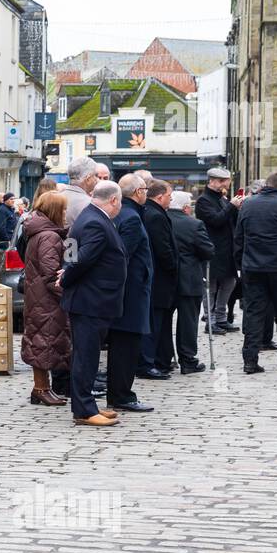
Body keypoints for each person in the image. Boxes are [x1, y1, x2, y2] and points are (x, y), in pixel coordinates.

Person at [59, 181, 126, 427]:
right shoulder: (96, 222)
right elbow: (81, 260)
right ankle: (84, 409)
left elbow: (70, 250)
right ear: (114, 200)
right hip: (91, 300)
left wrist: (65, 270)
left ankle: (87, 404)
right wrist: (66, 275)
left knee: (86, 355)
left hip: (91, 299)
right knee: (86, 357)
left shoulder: (87, 217)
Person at [235, 172, 277, 373]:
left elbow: (239, 236)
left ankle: (250, 360)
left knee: (254, 311)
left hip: (253, 265)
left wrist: (241, 263)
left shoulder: (248, 204)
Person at [106, 174, 154, 413]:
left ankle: (119, 392)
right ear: (137, 192)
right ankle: (122, 394)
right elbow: (122, 256)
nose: (147, 192)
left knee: (121, 344)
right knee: (126, 344)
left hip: (125, 290)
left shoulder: (121, 214)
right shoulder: (131, 217)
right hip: (130, 292)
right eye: (145, 189)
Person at [19, 191, 69, 406]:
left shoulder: (40, 232)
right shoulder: (49, 235)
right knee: (43, 343)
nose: (66, 213)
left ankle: (42, 388)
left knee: (40, 341)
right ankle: (41, 388)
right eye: (63, 209)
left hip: (38, 296)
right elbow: (51, 274)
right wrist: (67, 292)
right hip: (47, 300)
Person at [167, 192, 214, 374]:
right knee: (188, 322)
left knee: (163, 321)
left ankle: (165, 358)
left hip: (167, 280)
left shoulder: (161, 220)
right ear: (186, 208)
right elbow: (208, 250)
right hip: (189, 279)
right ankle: (188, 360)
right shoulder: (193, 224)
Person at [138, 180, 178, 379]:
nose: (171, 199)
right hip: (159, 279)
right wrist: (173, 267)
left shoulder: (152, 212)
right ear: (160, 196)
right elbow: (163, 249)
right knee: (155, 322)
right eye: (169, 195)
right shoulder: (155, 216)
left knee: (159, 322)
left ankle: (160, 359)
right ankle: (150, 361)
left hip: (158, 278)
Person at [196, 167, 239, 334]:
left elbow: (230, 220)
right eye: (221, 182)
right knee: (211, 285)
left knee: (230, 282)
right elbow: (216, 220)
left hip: (227, 249)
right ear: (212, 181)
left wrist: (236, 207)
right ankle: (210, 320)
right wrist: (231, 206)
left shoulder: (222, 198)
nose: (224, 185)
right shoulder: (203, 201)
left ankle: (221, 317)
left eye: (226, 182)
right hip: (212, 248)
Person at [62, 157, 100, 226]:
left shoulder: (55, 198)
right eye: (95, 175)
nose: (97, 179)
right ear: (88, 179)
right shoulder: (89, 204)